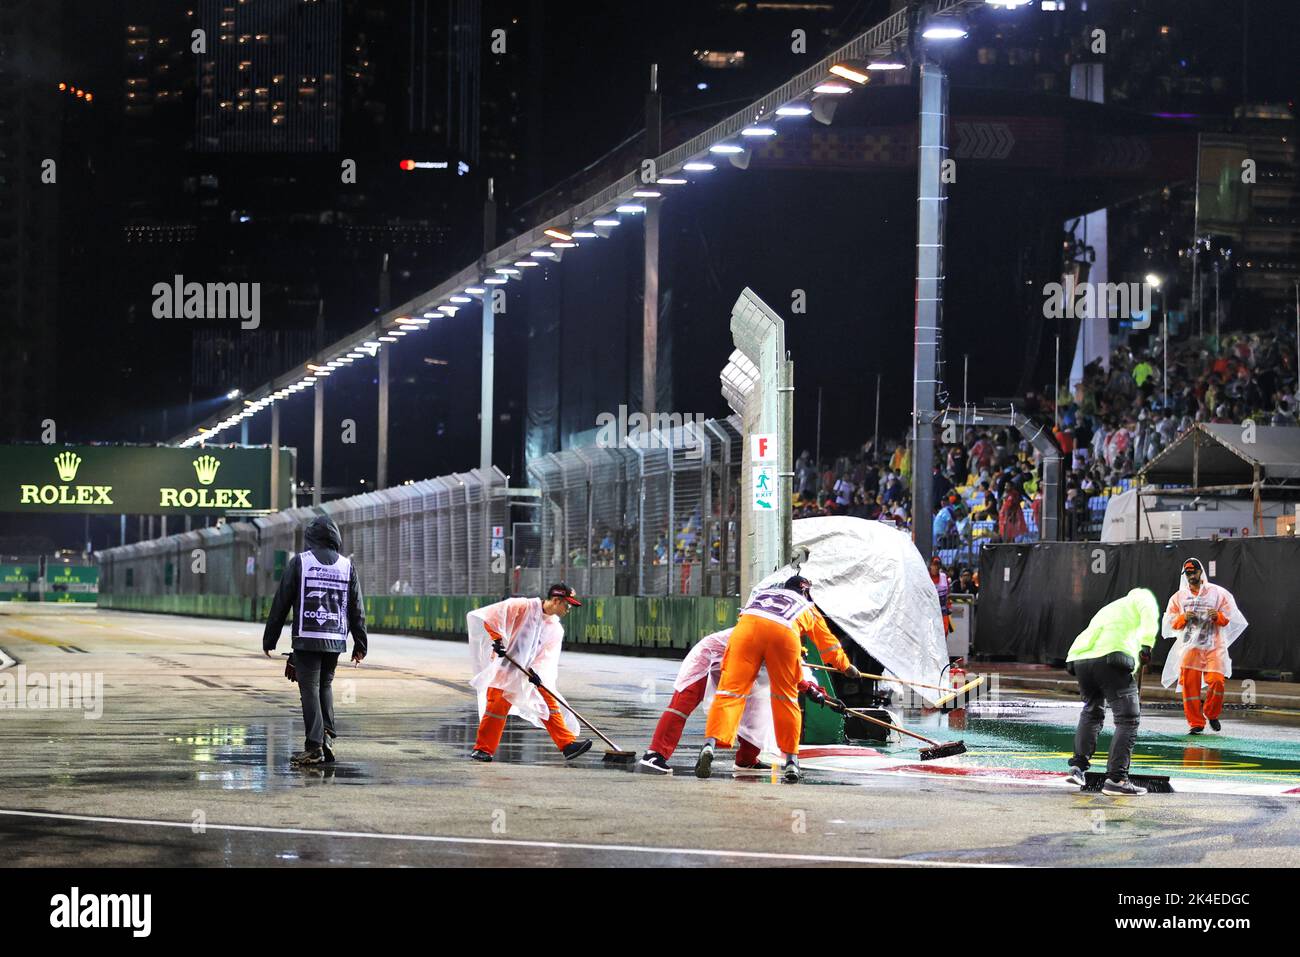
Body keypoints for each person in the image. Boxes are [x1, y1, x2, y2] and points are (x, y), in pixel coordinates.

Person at [697, 575, 860, 783]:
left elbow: (746, 621)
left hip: (746, 632)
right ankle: (791, 761)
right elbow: (828, 644)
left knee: (729, 693)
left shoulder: (762, 595)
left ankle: (709, 744)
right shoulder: (807, 606)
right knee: (786, 699)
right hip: (783, 635)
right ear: (806, 592)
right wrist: (845, 667)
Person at [262, 515, 368, 766]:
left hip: (307, 638)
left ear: (311, 538)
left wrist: (270, 637)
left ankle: (314, 746)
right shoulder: (346, 565)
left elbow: (281, 602)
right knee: (325, 686)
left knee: (309, 689)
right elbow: (357, 608)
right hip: (335, 639)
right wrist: (360, 645)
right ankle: (327, 736)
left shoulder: (300, 562)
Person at [466, 583, 593, 762]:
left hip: (528, 674)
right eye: (567, 604)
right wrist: (497, 641)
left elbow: (546, 658)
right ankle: (483, 750)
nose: (569, 608)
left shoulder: (555, 629)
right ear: (556, 600)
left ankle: (567, 745)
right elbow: (492, 618)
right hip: (505, 669)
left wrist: (536, 674)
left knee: (549, 704)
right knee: (495, 710)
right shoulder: (523, 606)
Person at [639, 628, 776, 775]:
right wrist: (803, 684)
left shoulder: (778, 630)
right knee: (683, 702)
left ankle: (746, 759)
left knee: (756, 707)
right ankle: (653, 755)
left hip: (737, 663)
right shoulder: (778, 632)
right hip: (709, 655)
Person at [1063, 588, 1160, 796]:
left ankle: (1078, 767)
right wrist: (1147, 645)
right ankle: (1117, 779)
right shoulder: (1142, 597)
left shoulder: (1111, 607)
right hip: (1111, 657)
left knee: (1091, 711)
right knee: (1128, 719)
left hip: (1081, 659)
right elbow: (1149, 617)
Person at [1161, 558, 1247, 734]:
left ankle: (1211, 713)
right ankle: (1196, 723)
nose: (1191, 576)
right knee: (1189, 688)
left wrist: (1218, 617)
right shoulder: (1179, 597)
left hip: (1213, 646)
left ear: (1201, 572)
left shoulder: (1217, 593)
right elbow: (1169, 623)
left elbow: (1230, 616)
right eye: (1188, 573)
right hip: (1190, 648)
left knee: (1217, 681)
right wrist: (1183, 618)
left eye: (1194, 572)